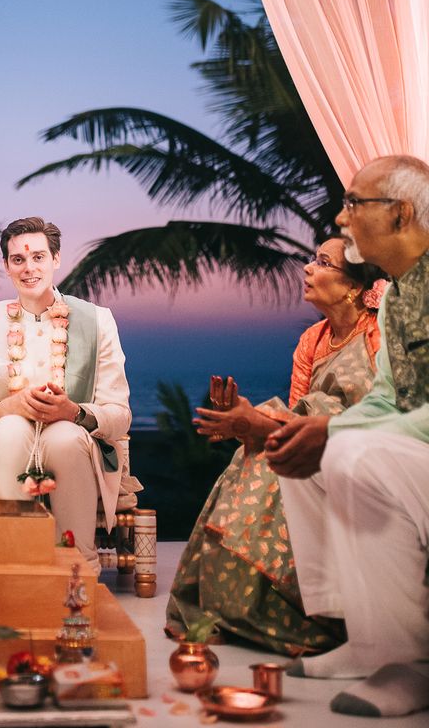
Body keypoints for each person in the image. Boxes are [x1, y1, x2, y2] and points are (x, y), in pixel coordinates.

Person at [266, 155, 429, 718]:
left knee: (351, 453)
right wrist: (315, 430)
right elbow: (388, 399)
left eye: (354, 204)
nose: (341, 218)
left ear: (401, 213)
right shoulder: (401, 298)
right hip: (417, 451)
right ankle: (361, 638)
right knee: (301, 451)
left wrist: (337, 431)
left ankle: (407, 660)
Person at [165, 239, 384, 654]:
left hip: (361, 448)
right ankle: (234, 602)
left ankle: (298, 610)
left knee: (272, 446)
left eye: (322, 262)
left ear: (354, 286)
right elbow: (296, 409)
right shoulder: (312, 341)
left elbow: (378, 407)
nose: (306, 269)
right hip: (309, 443)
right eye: (311, 259)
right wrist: (248, 425)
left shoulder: (379, 331)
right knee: (261, 452)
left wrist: (263, 423)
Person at [0, 216, 131, 574]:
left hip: (75, 436)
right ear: (6, 266)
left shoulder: (97, 320)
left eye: (38, 257)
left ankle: (78, 570)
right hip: (7, 434)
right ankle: (13, 568)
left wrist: (74, 412)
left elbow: (119, 413)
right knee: (8, 432)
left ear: (56, 259)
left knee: (66, 438)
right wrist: (8, 406)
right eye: (18, 260)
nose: (29, 268)